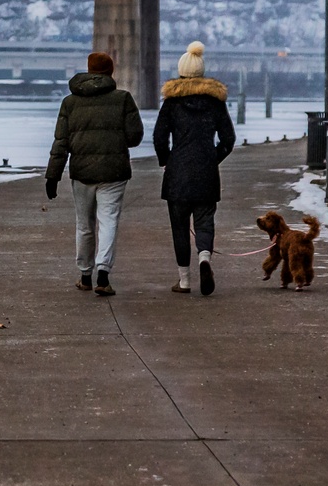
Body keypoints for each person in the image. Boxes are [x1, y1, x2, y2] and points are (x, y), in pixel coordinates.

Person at [46, 51, 143, 296]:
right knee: (108, 221)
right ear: (111, 72)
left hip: (82, 173)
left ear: (89, 71)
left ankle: (85, 275)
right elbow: (134, 137)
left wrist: (53, 176)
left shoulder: (70, 102)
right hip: (114, 173)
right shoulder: (123, 99)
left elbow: (61, 142)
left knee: (84, 225)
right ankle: (103, 274)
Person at [153, 41, 235, 295]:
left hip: (178, 173)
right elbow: (229, 139)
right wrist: (213, 158)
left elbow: (159, 137)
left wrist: (166, 160)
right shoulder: (215, 102)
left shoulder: (172, 103)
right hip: (206, 173)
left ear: (181, 71)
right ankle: (205, 260)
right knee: (204, 222)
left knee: (179, 227)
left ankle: (185, 281)